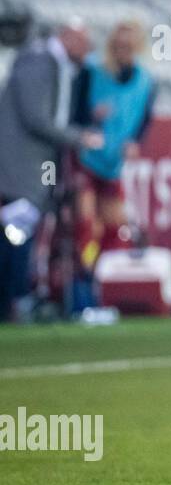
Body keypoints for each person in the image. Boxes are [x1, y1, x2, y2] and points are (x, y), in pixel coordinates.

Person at [0, 19, 102, 321]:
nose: (87, 50)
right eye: (83, 42)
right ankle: (11, 300)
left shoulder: (53, 64)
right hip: (21, 163)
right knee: (15, 229)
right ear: (68, 38)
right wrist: (78, 137)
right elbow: (36, 117)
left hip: (36, 162)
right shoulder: (39, 61)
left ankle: (13, 299)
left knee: (20, 228)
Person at [70, 20, 155, 300]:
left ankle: (111, 287)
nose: (123, 51)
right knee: (86, 222)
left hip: (113, 164)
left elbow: (144, 120)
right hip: (85, 158)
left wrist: (135, 143)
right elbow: (71, 115)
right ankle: (83, 288)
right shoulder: (91, 72)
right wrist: (90, 120)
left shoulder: (145, 81)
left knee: (117, 225)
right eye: (119, 46)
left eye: (129, 46)